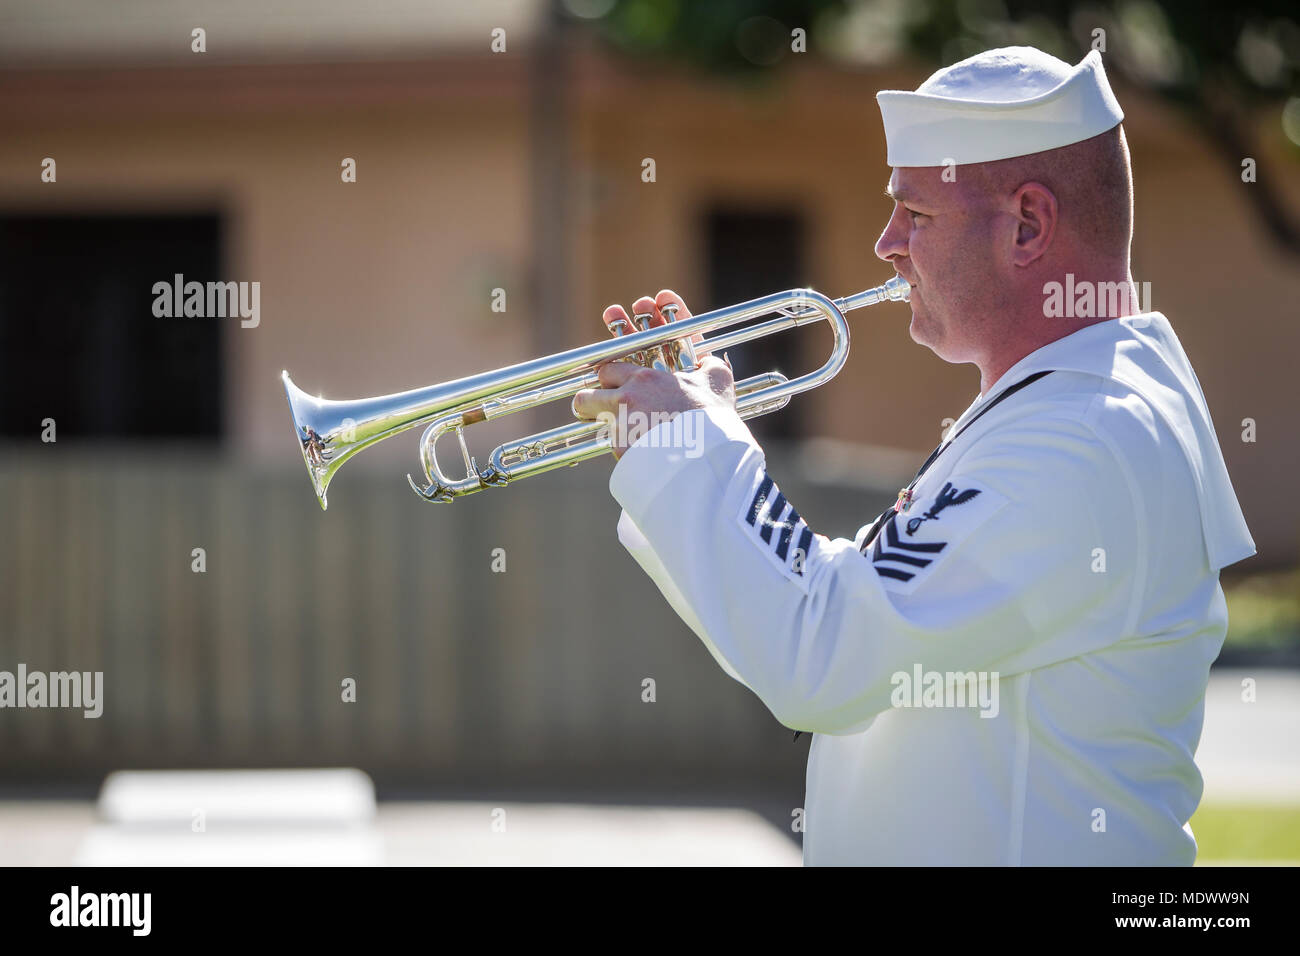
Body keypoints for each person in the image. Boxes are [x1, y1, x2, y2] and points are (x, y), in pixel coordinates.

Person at [571, 47, 1256, 865]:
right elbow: (826, 606)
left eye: (916, 215)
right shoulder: (1057, 410)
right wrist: (691, 435)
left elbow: (819, 659)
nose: (886, 243)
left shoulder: (1082, 438)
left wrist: (691, 444)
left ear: (1029, 225)